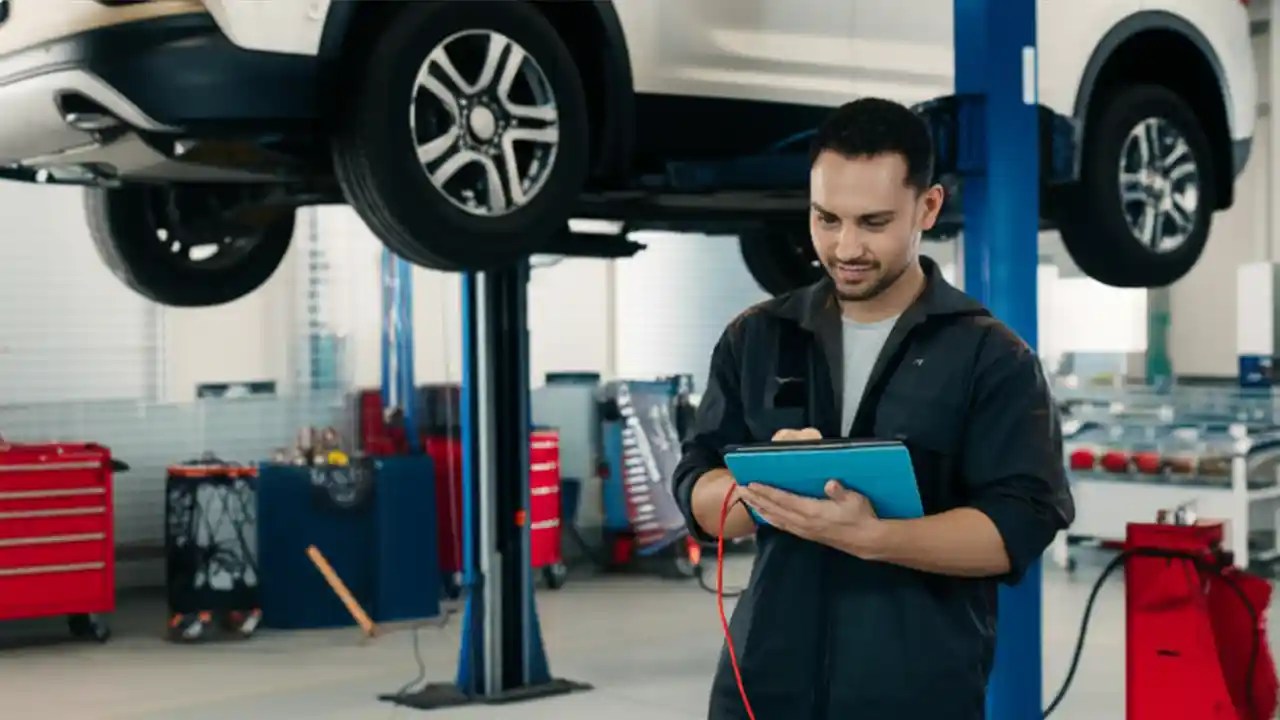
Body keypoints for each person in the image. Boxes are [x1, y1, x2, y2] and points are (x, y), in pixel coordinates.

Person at [672, 97, 1075, 720]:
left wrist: (875, 538)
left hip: (913, 696)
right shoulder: (757, 337)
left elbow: (1019, 524)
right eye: (826, 219)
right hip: (760, 692)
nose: (845, 246)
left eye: (873, 222)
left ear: (929, 207)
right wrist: (756, 492)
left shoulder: (990, 356)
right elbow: (697, 489)